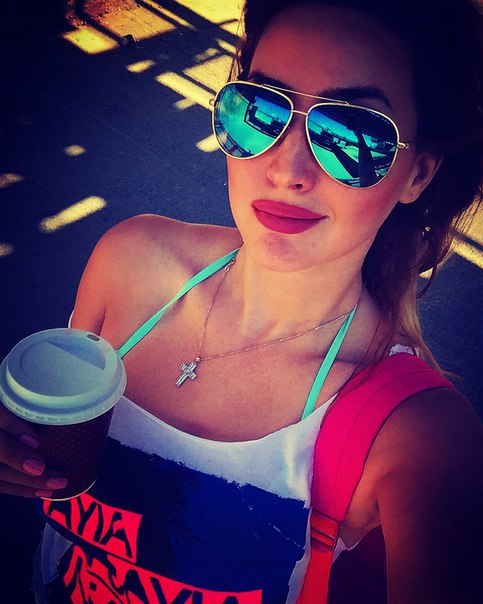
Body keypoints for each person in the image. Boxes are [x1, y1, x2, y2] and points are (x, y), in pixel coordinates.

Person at [1, 0, 482, 602]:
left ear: (418, 174)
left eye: (353, 134)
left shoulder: (418, 434)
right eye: (259, 109)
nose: (286, 169)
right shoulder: (129, 263)